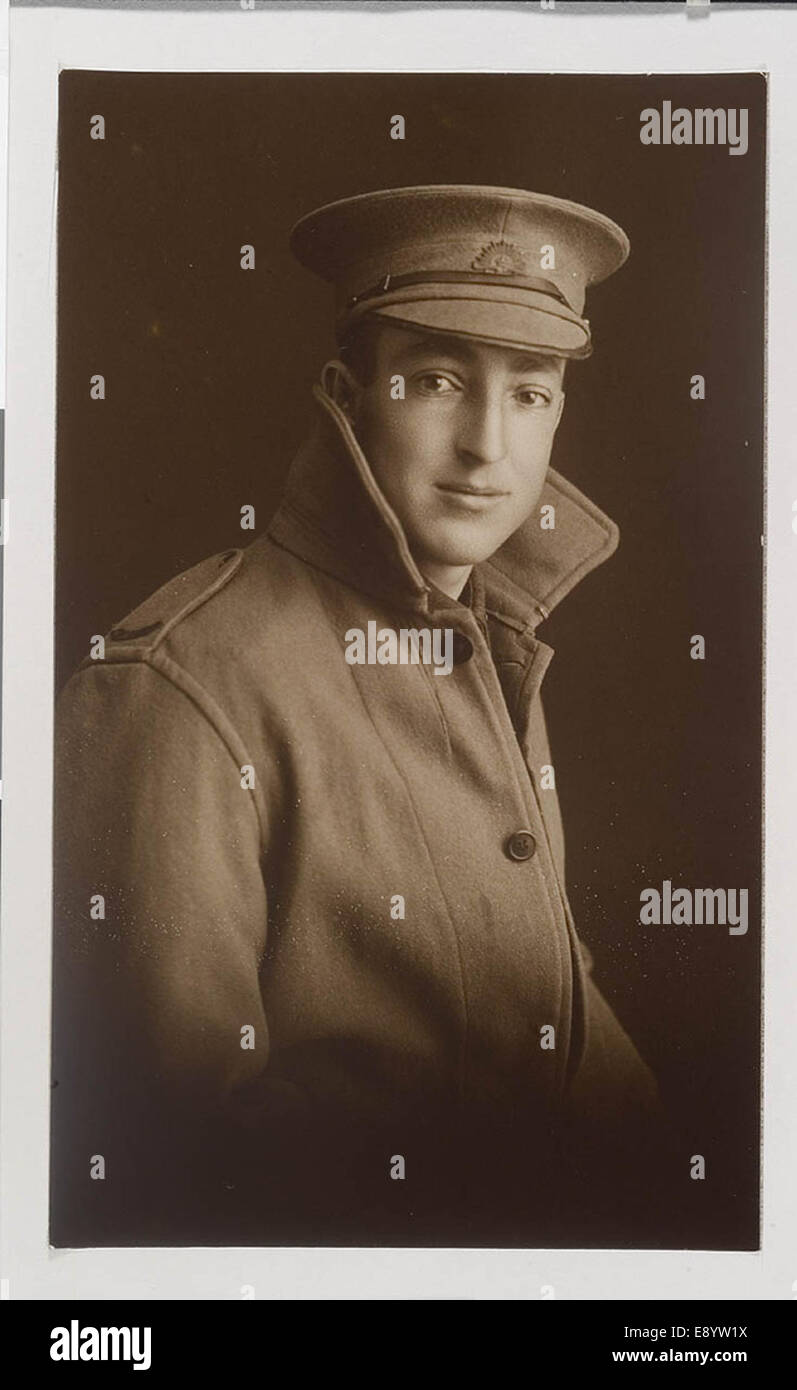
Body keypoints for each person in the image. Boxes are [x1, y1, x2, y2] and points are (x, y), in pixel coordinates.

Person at [51, 185, 683, 1249]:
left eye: (528, 393)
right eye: (436, 380)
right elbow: (173, 1145)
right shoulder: (177, 685)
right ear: (348, 396)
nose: (487, 445)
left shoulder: (483, 632)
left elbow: (561, 1019)